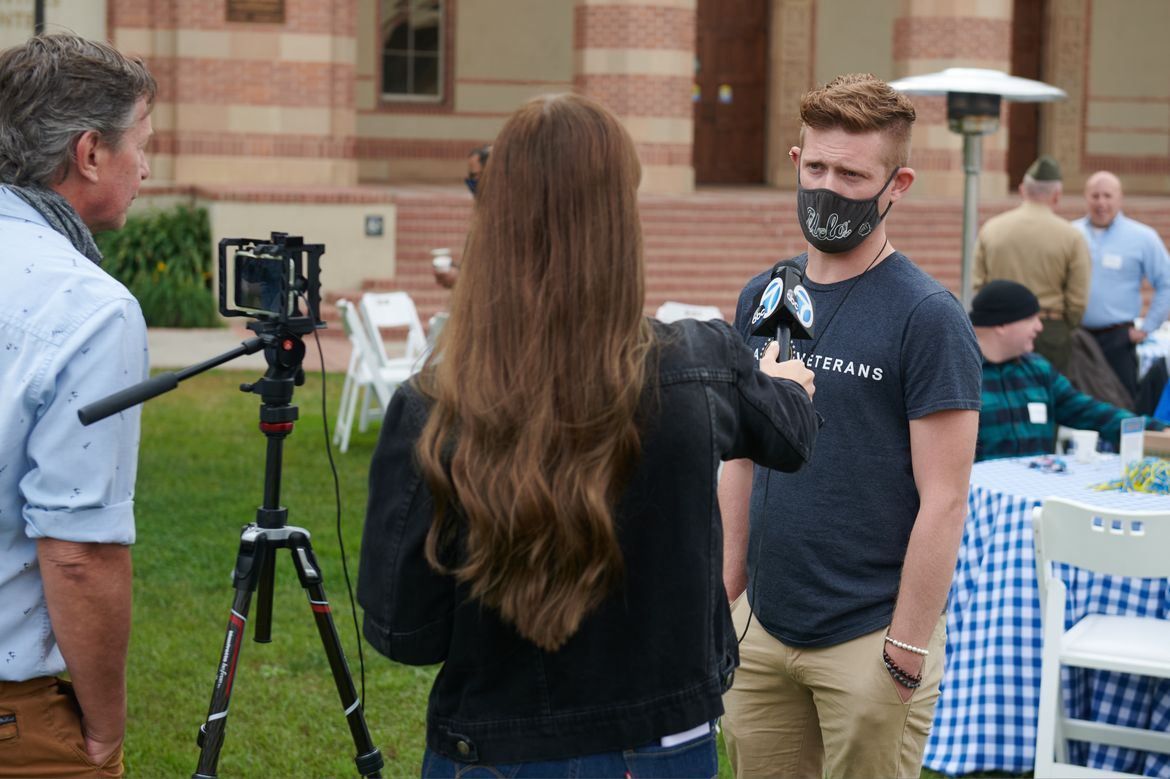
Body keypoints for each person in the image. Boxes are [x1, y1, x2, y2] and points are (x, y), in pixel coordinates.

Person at [357, 93, 819, 777]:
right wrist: (788, 382)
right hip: (658, 746)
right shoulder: (699, 363)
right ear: (619, 219)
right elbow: (790, 434)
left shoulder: (433, 407)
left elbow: (407, 631)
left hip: (495, 749)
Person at [719, 73, 983, 779]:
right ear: (795, 160)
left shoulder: (927, 316)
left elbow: (946, 498)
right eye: (817, 166)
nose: (828, 186)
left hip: (868, 639)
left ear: (897, 184)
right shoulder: (763, 296)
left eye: (852, 174)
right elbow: (740, 455)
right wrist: (728, 591)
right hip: (761, 630)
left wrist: (905, 648)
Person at [0, 34, 154, 778]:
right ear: (90, 152)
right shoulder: (91, 307)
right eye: (142, 142)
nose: (147, 166)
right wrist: (103, 732)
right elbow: (79, 553)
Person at [971, 280, 1163, 461]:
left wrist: (1154, 429)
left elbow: (1092, 413)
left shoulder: (1038, 370)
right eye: (1031, 319)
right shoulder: (961, 374)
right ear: (1002, 324)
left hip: (1034, 489)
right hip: (980, 493)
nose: (1039, 327)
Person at [973, 155, 1091, 373]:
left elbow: (979, 285)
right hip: (1050, 330)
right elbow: (1078, 299)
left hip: (1000, 328)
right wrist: (1063, 327)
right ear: (1057, 196)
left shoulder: (992, 229)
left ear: (1022, 190)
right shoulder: (1071, 236)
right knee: (1047, 400)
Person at [1074, 170, 1170, 401]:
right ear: (1086, 197)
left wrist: (1147, 327)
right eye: (1095, 196)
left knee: (1122, 404)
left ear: (1120, 198)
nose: (1101, 203)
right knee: (1076, 404)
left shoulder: (1142, 237)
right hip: (1077, 338)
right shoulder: (1070, 233)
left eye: (1108, 196)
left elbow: (1166, 283)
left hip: (1118, 339)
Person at [433, 145, 492, 290]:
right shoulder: (486, 211)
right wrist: (459, 271)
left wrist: (461, 279)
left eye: (475, 176)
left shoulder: (507, 217)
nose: (472, 182)